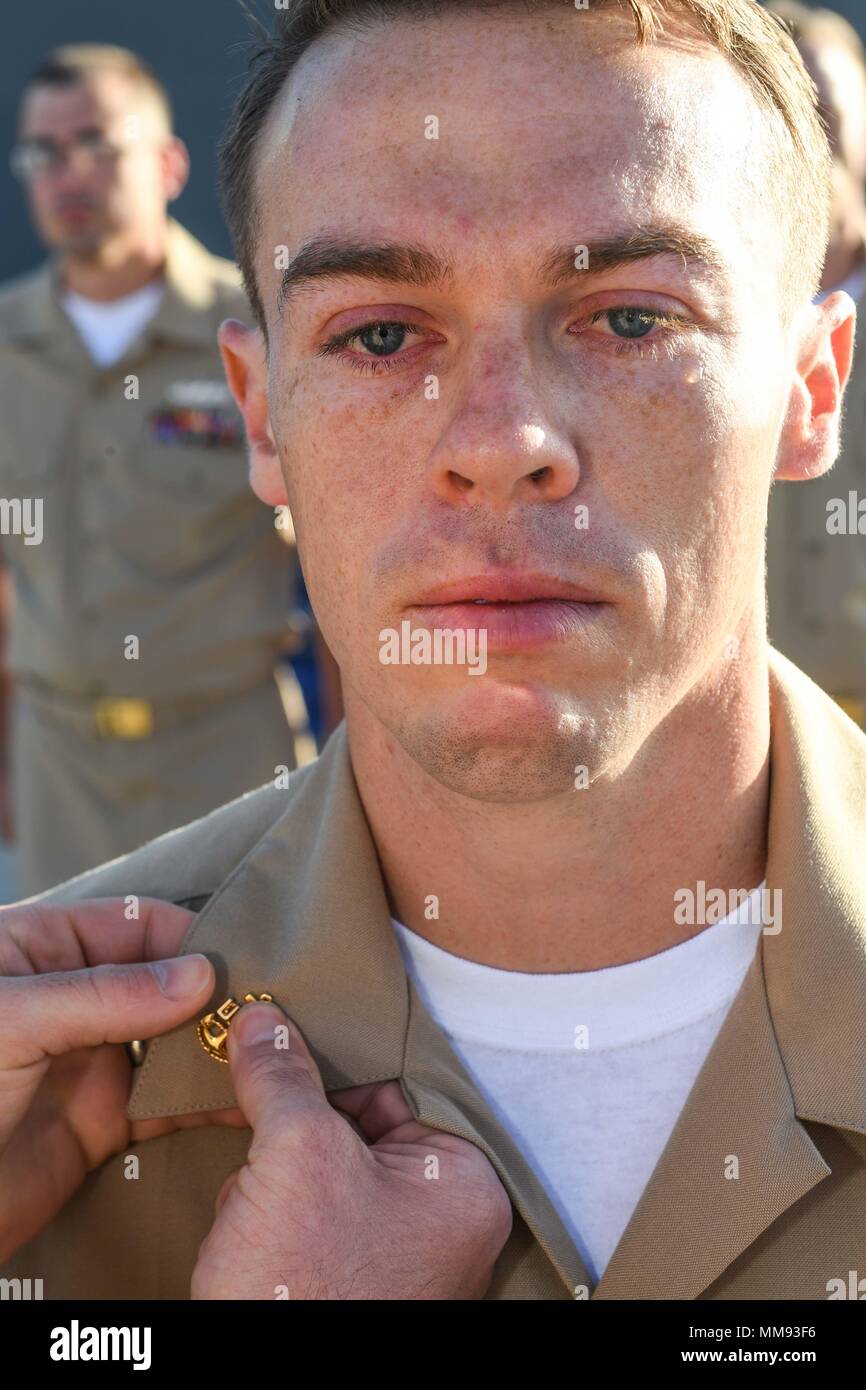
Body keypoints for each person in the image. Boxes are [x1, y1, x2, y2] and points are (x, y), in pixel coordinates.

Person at [2, 0, 866, 1301]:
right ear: (262, 416)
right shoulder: (41, 1090)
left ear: (811, 384)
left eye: (630, 320)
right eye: (381, 335)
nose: (499, 436)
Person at [0, 45, 311, 896]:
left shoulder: (258, 335)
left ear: (170, 163)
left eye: (98, 144)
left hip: (230, 764)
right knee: (66, 1016)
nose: (69, 173)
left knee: (245, 1006)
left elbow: (338, 563)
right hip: (56, 770)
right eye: (43, 152)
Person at [764, 2, 866, 727]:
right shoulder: (675, 318)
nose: (814, 138)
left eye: (827, 107)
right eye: (789, 111)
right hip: (745, 740)